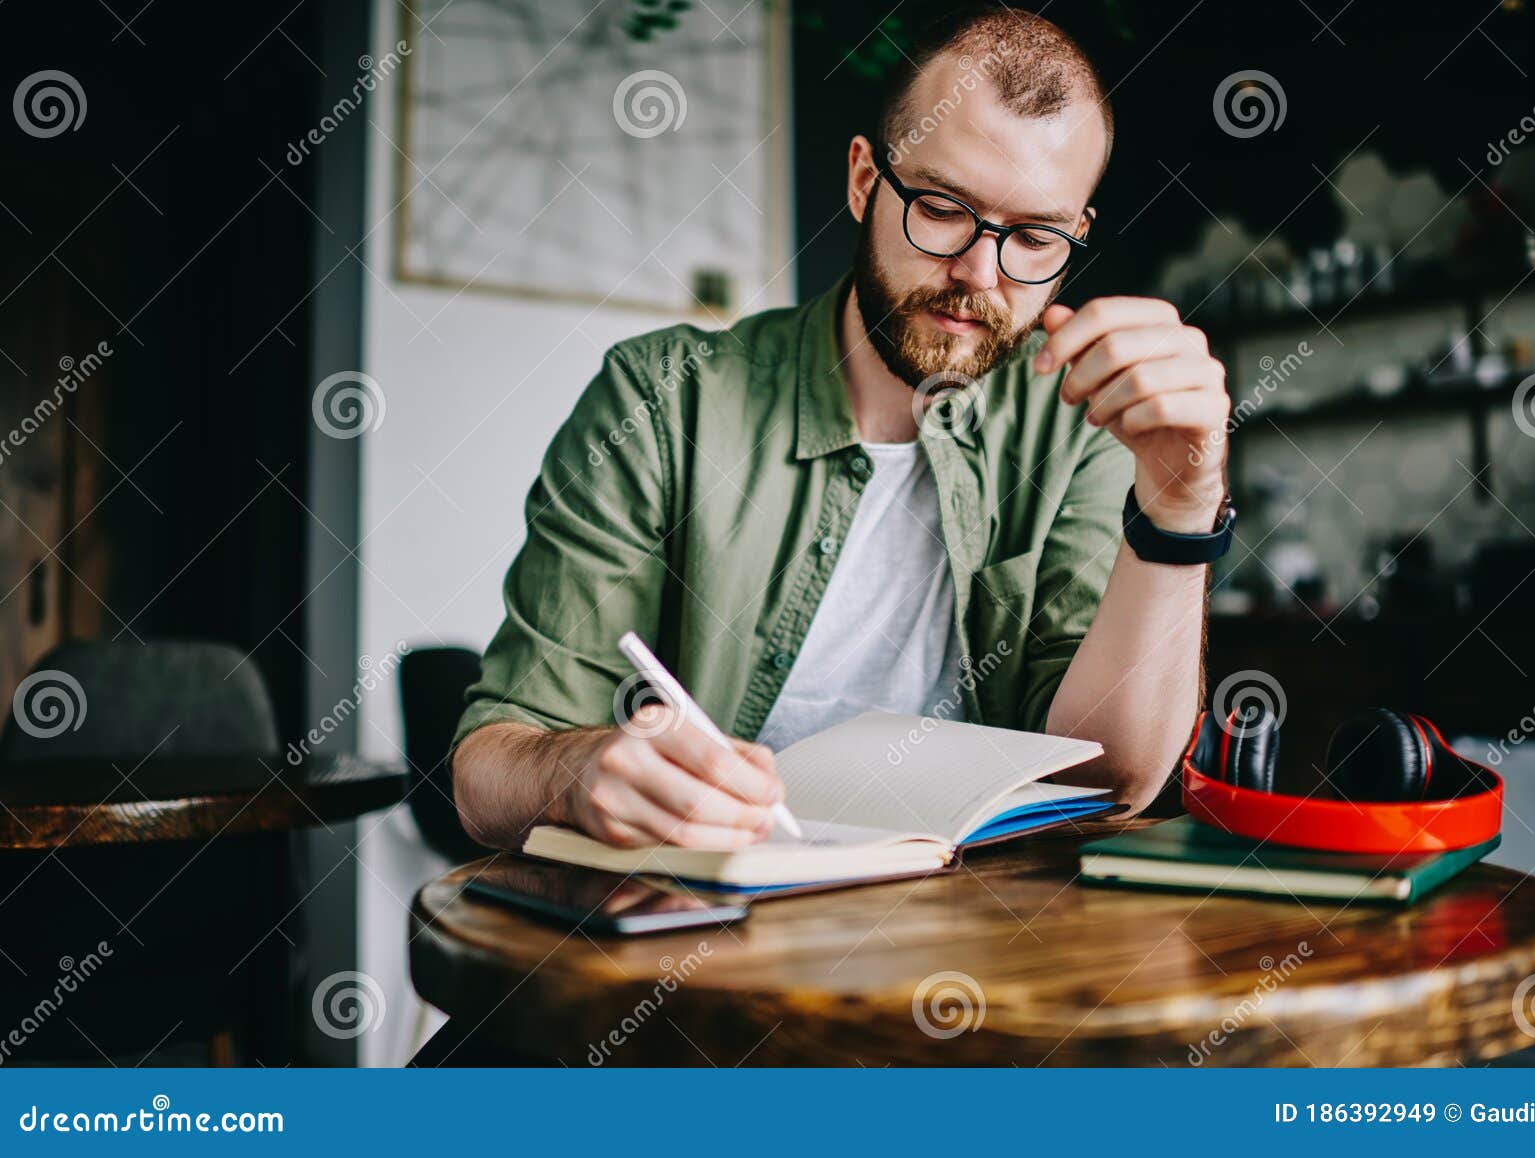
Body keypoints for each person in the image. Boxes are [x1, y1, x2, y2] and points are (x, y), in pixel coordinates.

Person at [451, 5, 1231, 852]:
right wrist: (581, 773)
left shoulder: (1084, 427)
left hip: (984, 953)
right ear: (866, 181)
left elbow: (1110, 781)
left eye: (1035, 236)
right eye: (941, 207)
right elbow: (486, 775)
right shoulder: (663, 398)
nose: (978, 273)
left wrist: (1181, 508)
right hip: (709, 943)